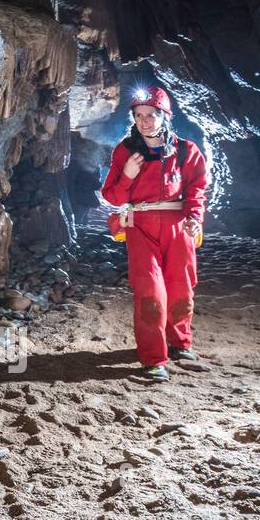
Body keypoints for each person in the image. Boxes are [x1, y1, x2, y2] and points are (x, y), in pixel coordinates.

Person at [99, 86, 208, 382]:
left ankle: (180, 343)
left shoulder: (186, 150)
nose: (145, 121)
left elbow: (197, 187)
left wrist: (194, 217)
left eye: (151, 115)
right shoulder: (125, 151)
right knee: (150, 292)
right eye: (139, 115)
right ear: (133, 118)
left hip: (177, 225)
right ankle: (153, 358)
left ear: (164, 116)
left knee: (182, 287)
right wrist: (127, 177)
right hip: (140, 225)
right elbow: (111, 195)